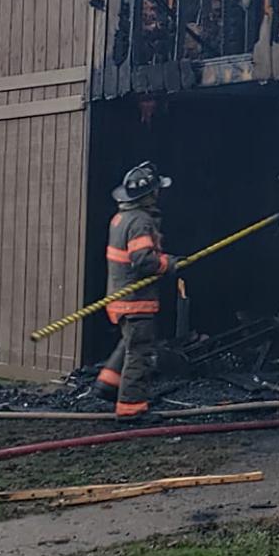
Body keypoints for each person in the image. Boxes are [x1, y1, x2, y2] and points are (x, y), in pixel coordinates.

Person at [91, 161, 178, 420]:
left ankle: (107, 384)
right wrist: (170, 264)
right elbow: (143, 260)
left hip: (119, 297)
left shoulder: (121, 218)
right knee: (139, 352)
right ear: (149, 194)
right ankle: (131, 408)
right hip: (135, 300)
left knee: (129, 343)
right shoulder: (140, 222)